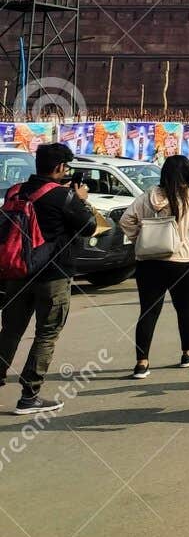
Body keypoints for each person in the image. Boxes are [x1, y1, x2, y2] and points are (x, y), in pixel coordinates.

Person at [0, 144, 97, 414]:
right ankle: (29, 396)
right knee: (46, 334)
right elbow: (88, 227)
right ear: (59, 168)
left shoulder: (15, 191)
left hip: (17, 272)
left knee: (10, 331)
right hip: (53, 276)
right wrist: (81, 198)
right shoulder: (63, 196)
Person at [119, 153, 189, 378]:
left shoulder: (147, 196)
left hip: (149, 262)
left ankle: (141, 363)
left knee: (148, 312)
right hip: (182, 261)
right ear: (188, 173)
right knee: (185, 309)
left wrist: (140, 240)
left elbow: (125, 221)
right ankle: (187, 353)